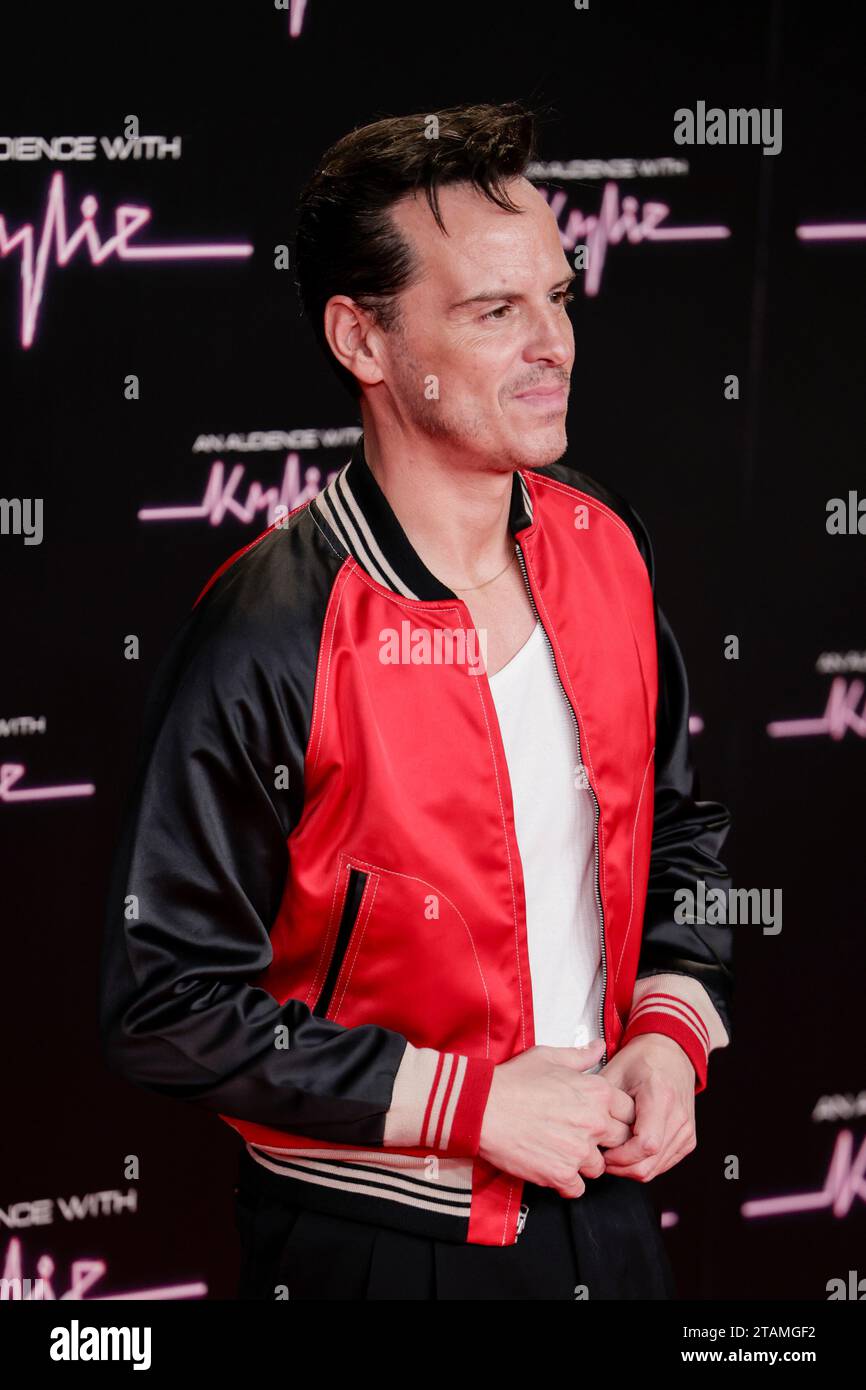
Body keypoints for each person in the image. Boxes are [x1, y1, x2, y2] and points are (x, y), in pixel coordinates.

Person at [98, 101, 734, 1300]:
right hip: (373, 1250)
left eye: (557, 293)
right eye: (495, 311)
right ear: (363, 341)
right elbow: (165, 1000)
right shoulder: (269, 626)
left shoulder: (603, 546)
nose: (552, 341)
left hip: (610, 1215)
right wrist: (472, 1104)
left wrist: (667, 1028)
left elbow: (680, 829)